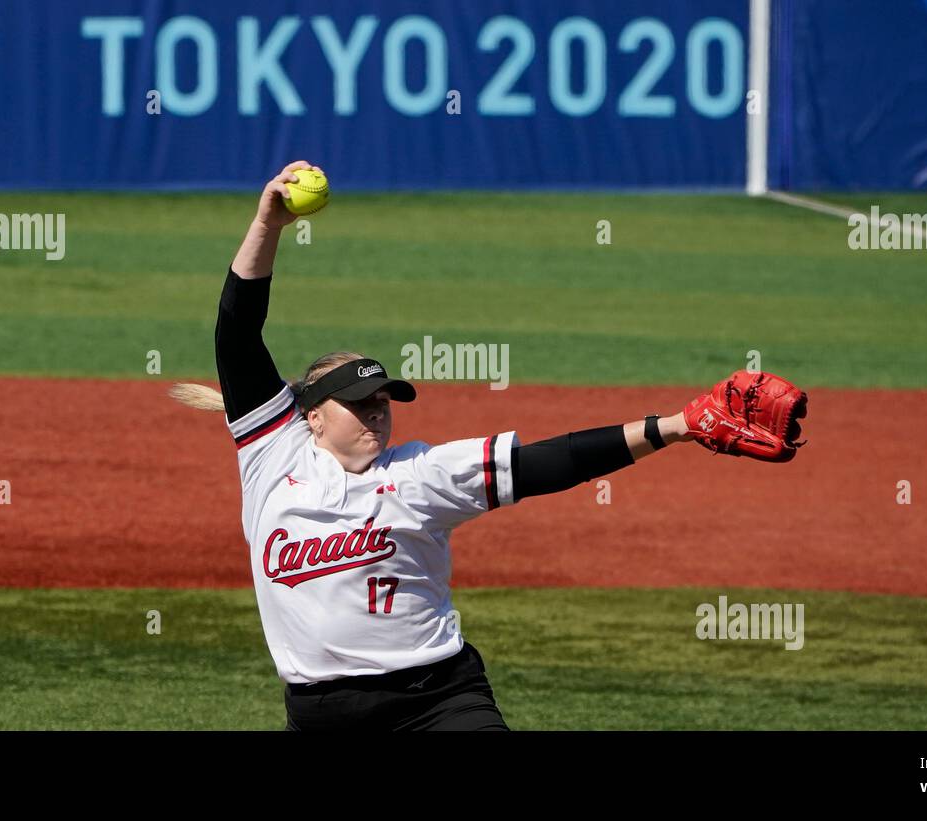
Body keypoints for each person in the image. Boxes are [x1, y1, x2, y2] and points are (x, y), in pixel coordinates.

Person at [170, 160, 807, 731]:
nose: (376, 412)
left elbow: (544, 463)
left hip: (437, 701)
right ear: (309, 417)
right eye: (358, 402)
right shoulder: (271, 454)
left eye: (382, 400)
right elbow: (237, 330)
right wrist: (268, 223)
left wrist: (674, 426)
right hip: (319, 716)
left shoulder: (421, 473)